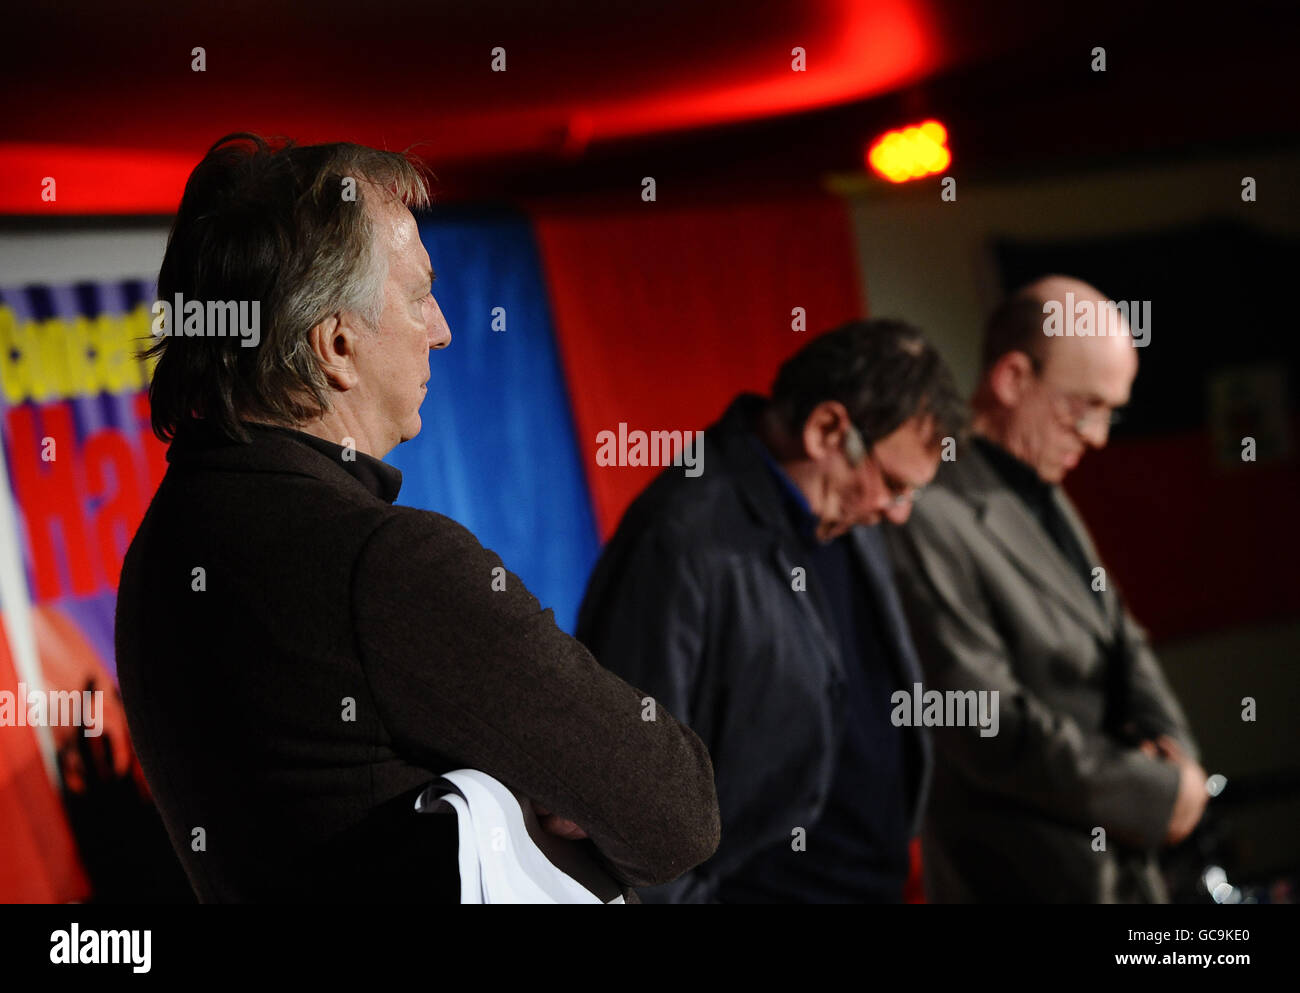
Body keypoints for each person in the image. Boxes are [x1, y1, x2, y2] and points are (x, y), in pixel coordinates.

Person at [114, 133, 719, 903]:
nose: (441, 328)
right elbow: (675, 810)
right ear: (337, 345)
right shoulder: (382, 565)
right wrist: (531, 800)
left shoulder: (165, 544)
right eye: (418, 294)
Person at [577, 320, 966, 902]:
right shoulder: (681, 535)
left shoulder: (840, 504)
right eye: (892, 484)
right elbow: (627, 787)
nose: (898, 511)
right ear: (827, 430)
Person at [885, 275, 1206, 903]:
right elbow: (982, 719)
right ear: (1011, 380)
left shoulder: (1041, 482)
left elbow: (1123, 639)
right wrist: (1155, 793)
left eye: (1111, 412)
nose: (1098, 436)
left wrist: (1182, 767)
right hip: (1027, 879)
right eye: (1084, 407)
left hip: (1126, 872)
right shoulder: (925, 509)